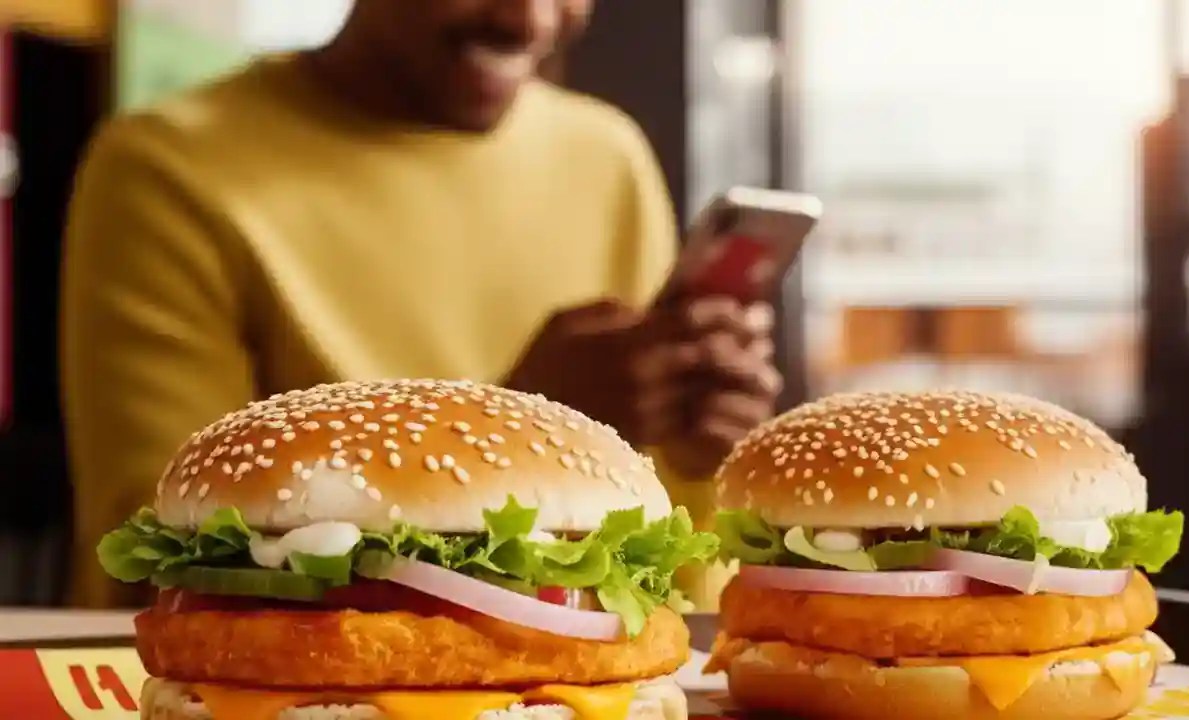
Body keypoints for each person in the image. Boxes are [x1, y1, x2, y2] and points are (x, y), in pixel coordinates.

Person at [61, 0, 779, 608]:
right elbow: (153, 561)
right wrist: (514, 438)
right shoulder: (165, 167)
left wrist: (699, 459)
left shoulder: (607, 155)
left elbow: (675, 599)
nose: (528, 18)